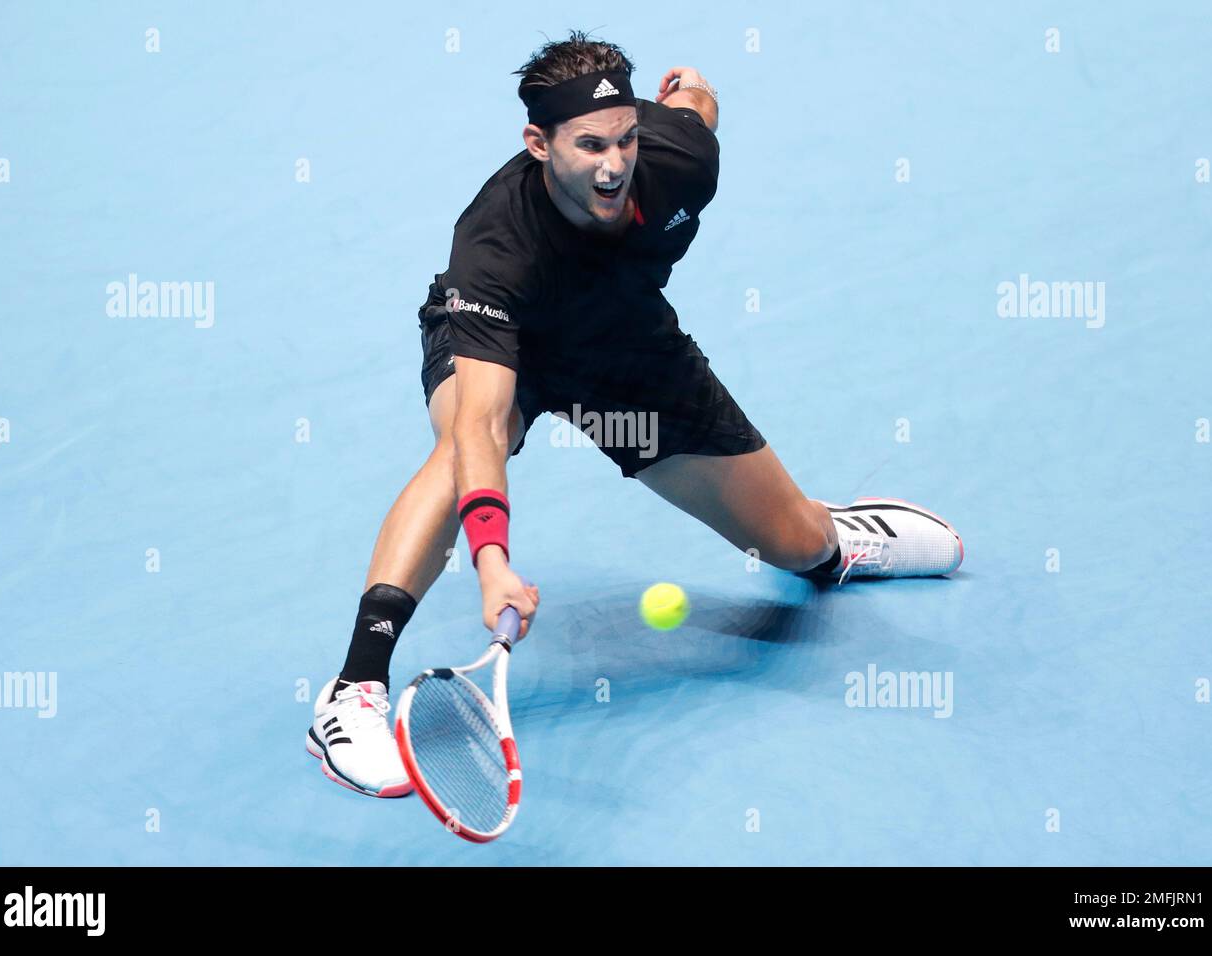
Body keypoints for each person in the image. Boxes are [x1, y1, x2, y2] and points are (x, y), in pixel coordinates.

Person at [306, 32, 964, 798]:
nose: (614, 164)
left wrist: (693, 94)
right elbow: (482, 428)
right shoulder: (494, 248)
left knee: (797, 546)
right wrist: (492, 564)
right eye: (589, 145)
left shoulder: (679, 161)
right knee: (459, 450)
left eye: (625, 138)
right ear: (538, 143)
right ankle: (353, 692)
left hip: (625, 353)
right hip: (506, 350)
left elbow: (695, 109)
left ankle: (833, 539)